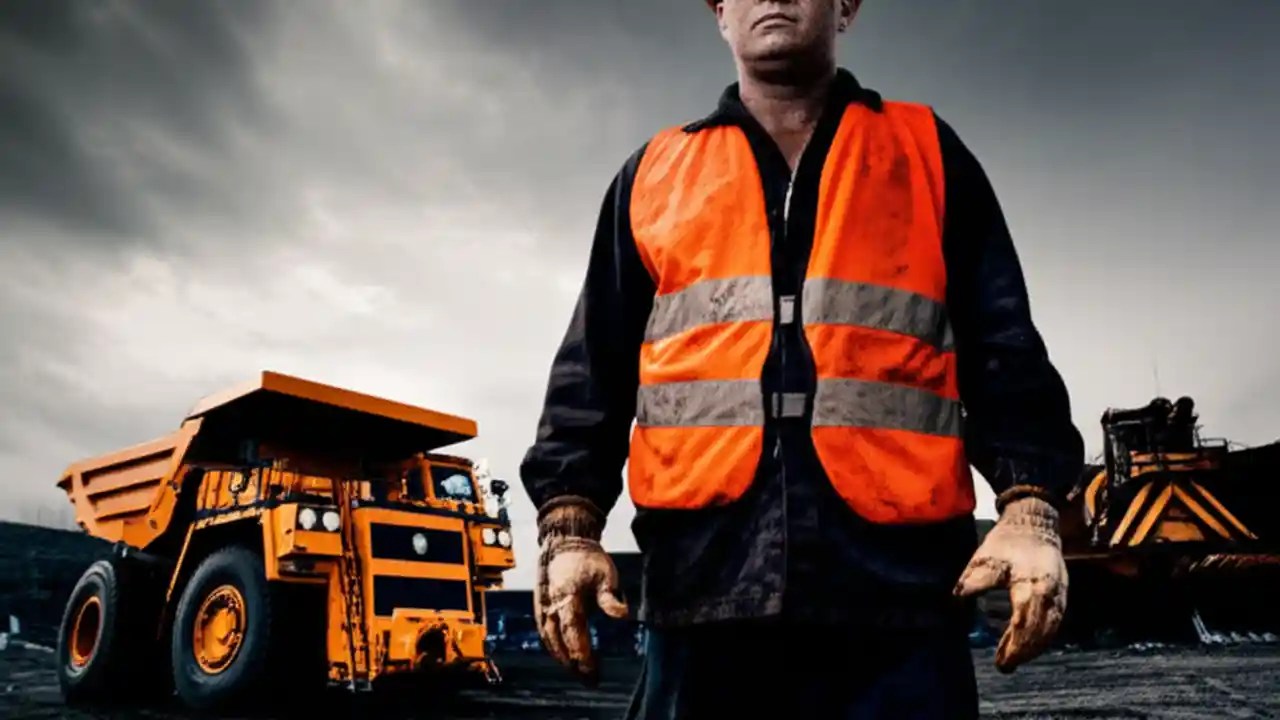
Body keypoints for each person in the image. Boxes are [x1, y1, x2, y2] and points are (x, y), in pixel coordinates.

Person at [519, 0, 1085, 717]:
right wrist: (569, 527)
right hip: (704, 595)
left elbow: (1004, 347)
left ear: (845, 7)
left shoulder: (926, 154)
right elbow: (591, 371)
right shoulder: (656, 174)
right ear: (719, 11)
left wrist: (1031, 506)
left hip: (897, 601)